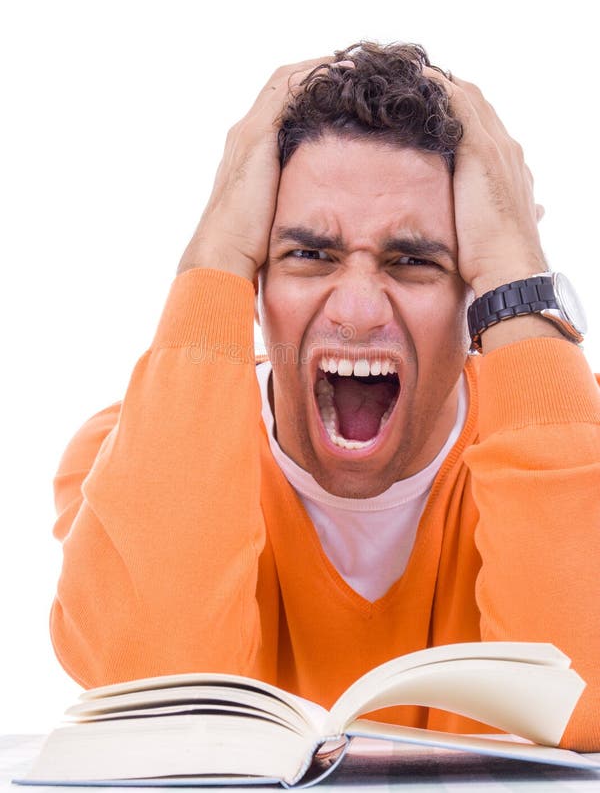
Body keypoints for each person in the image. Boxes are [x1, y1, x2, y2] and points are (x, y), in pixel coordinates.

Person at [51, 42, 600, 751]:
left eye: (414, 261)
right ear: (256, 283)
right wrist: (214, 251)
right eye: (308, 255)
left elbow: (588, 701)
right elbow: (159, 708)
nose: (360, 309)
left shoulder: (567, 443)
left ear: (472, 292)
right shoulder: (120, 456)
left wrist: (516, 274)